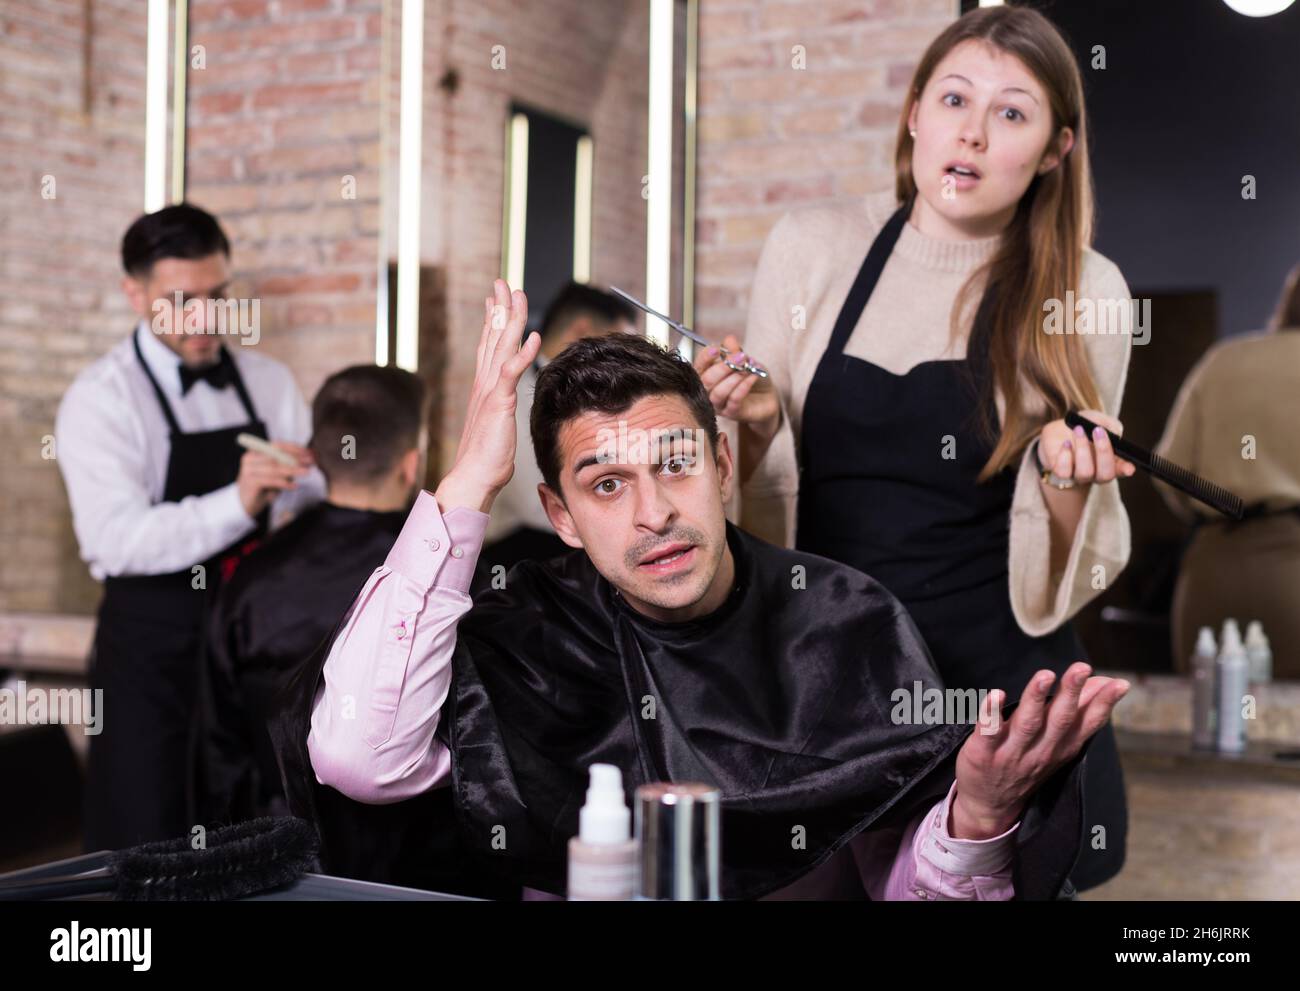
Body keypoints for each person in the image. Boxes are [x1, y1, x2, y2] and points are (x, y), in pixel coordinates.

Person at [271, 280, 1130, 901]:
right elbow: (357, 755)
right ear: (559, 515)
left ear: (722, 467)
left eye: (675, 464)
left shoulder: (845, 624)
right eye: (606, 485)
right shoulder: (529, 636)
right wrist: (467, 480)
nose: (654, 514)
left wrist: (978, 817)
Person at [693, 5, 1136, 890]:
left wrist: (1062, 471)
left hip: (994, 692)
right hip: (824, 684)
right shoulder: (811, 247)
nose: (971, 132)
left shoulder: (1087, 289)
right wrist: (752, 415)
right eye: (953, 98)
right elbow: (754, 484)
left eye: (1012, 113)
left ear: (1055, 148)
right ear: (913, 114)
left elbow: (1063, 556)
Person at [54, 203, 324, 852]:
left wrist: (301, 488)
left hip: (251, 649)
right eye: (181, 301)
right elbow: (114, 539)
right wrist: (237, 498)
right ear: (134, 293)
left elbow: (310, 498)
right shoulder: (101, 399)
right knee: (147, 838)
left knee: (254, 836)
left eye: (217, 296)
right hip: (152, 657)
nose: (206, 318)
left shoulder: (270, 381)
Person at [202, 365, 430, 824]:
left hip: (275, 850)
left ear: (319, 457)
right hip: (411, 867)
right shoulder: (443, 577)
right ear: (411, 464)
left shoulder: (251, 577)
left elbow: (218, 745)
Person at [1156, 262, 1300, 678]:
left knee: (1208, 723)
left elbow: (1169, 471)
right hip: (1293, 568)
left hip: (1213, 568)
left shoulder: (1223, 360)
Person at [477, 281, 637, 586]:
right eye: (617, 345)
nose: (619, 360)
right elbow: (531, 504)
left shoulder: (599, 395)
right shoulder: (511, 392)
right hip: (517, 558)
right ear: (580, 330)